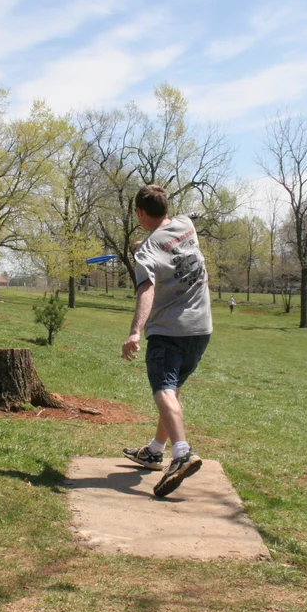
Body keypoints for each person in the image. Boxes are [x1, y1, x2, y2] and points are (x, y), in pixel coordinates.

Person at [121, 184, 213, 498]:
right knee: (172, 391)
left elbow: (146, 290)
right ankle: (154, 451)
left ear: (140, 213)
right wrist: (145, 244)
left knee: (163, 389)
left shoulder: (147, 251)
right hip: (201, 330)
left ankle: (182, 453)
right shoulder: (186, 225)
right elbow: (168, 243)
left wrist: (135, 331)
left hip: (169, 331)